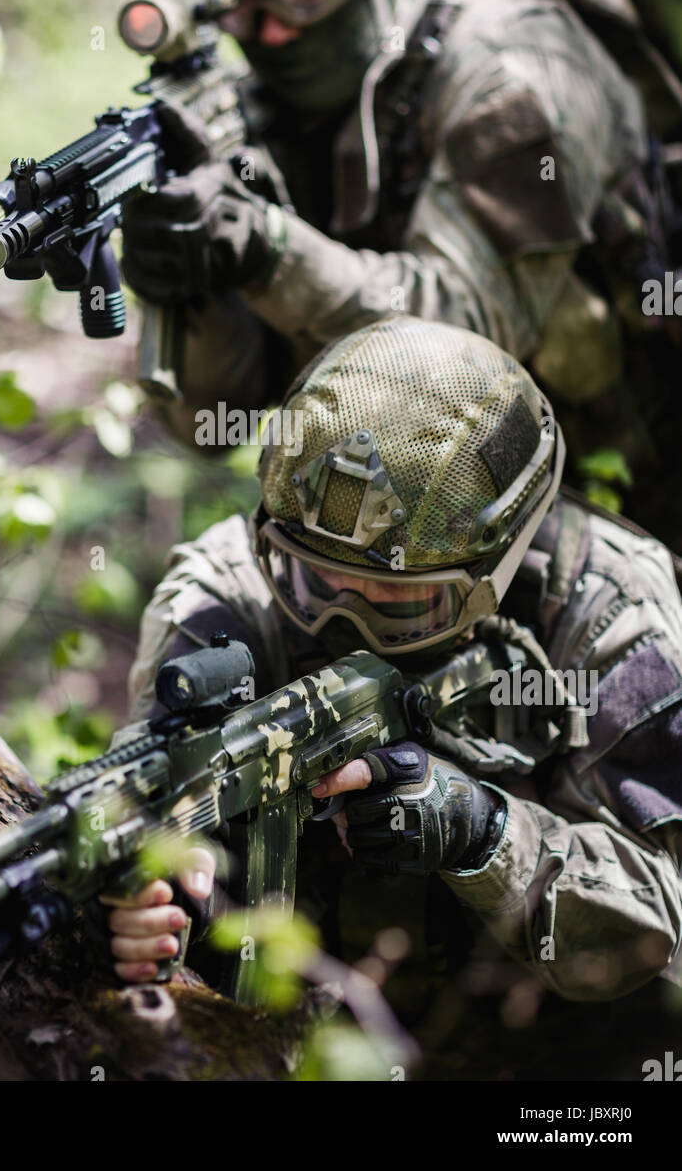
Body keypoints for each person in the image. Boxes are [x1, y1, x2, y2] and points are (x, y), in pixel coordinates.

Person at [105, 316, 682, 1079]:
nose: (347, 627)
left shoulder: (611, 613)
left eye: (400, 602)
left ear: (496, 572)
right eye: (317, 585)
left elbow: (659, 915)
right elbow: (152, 787)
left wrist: (482, 832)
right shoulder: (226, 591)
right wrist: (141, 904)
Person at [119, 0, 682, 550]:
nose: (273, 29)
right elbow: (212, 425)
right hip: (410, 561)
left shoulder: (513, 71)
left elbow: (462, 341)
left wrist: (268, 250)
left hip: (631, 526)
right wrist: (195, 285)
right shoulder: (262, 114)